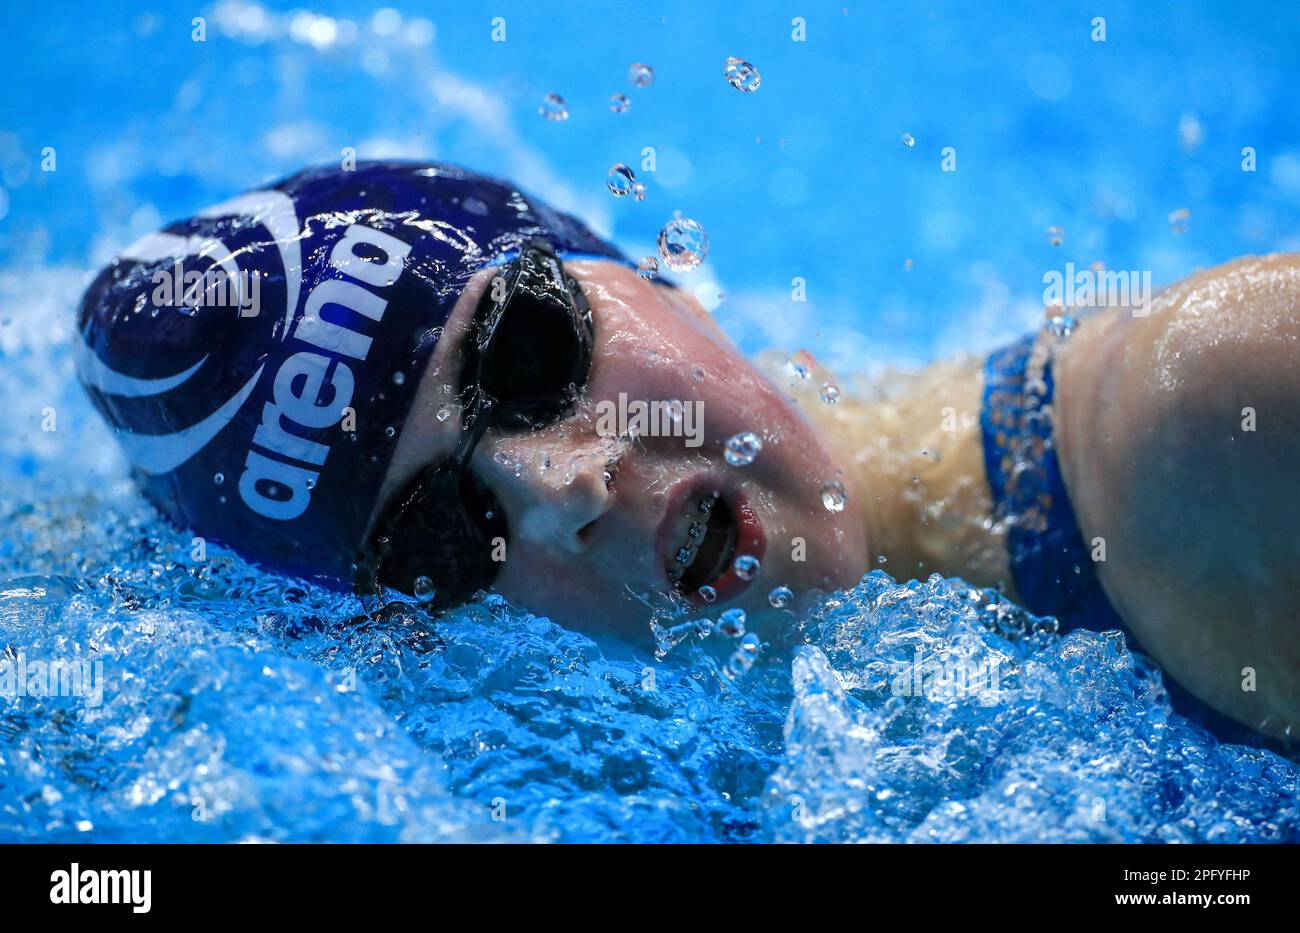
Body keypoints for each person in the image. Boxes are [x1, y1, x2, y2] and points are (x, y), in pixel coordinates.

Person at [77, 161, 1300, 743]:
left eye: (525, 359)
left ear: (638, 268)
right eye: (442, 538)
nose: (565, 490)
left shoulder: (1208, 427)